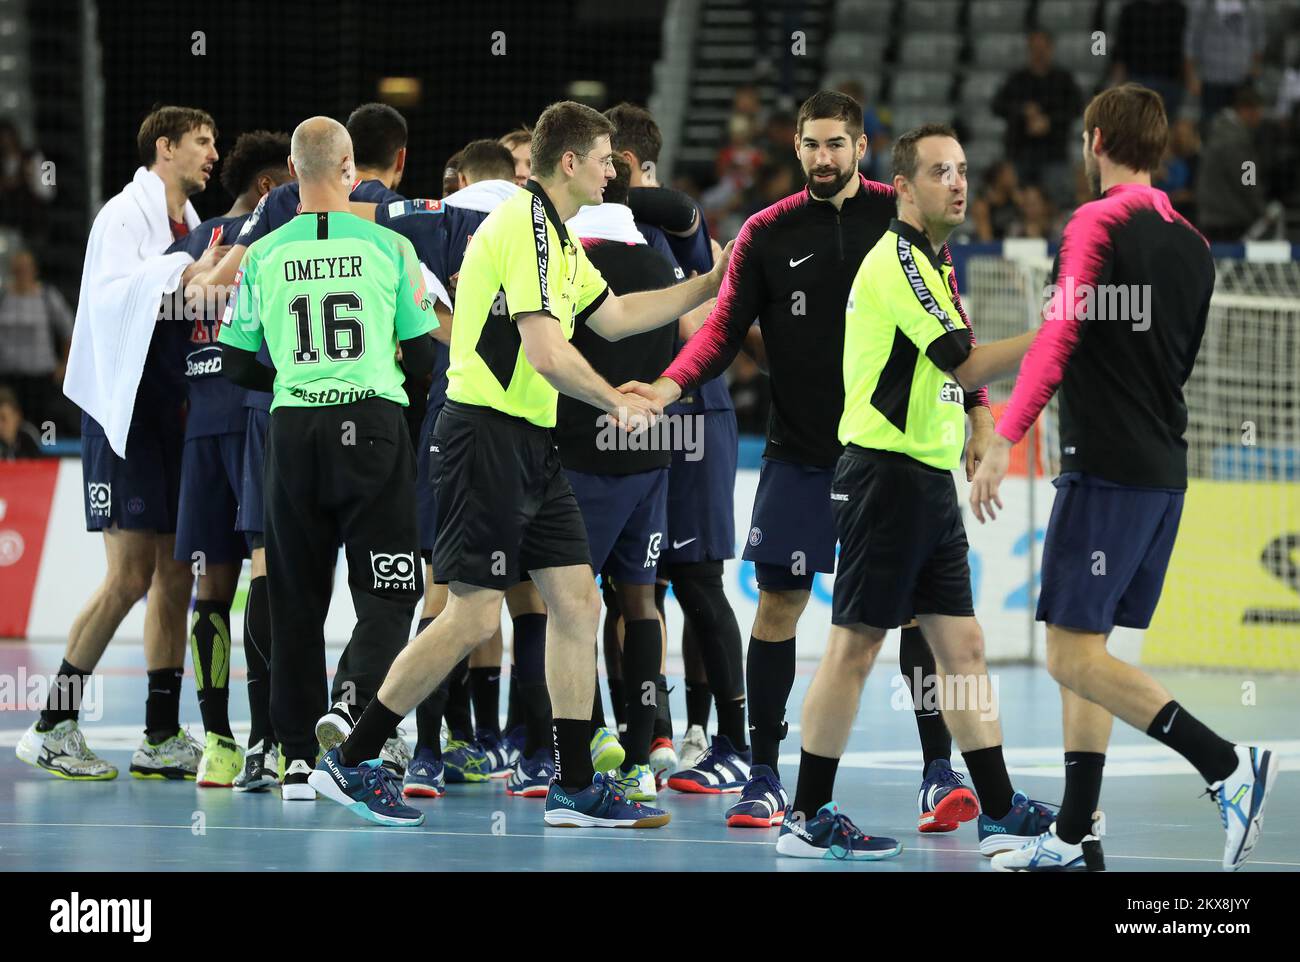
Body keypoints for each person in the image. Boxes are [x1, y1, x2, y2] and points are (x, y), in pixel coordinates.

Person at [311, 100, 730, 829]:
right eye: (604, 158)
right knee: (470, 614)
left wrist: (710, 284)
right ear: (569, 162)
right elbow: (545, 350)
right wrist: (616, 403)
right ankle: (353, 759)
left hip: (533, 445)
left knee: (577, 603)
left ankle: (571, 784)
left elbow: (618, 317)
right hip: (486, 440)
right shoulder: (525, 226)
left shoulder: (561, 240)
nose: (614, 170)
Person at [630, 92, 983, 834]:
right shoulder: (767, 231)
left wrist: (982, 412)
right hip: (803, 452)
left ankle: (937, 772)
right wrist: (666, 387)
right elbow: (724, 329)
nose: (824, 158)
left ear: (861, 145)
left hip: (892, 457)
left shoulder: (907, 213)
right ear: (795, 147)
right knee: (780, 605)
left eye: (838, 144)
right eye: (812, 145)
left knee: (919, 614)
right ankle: (764, 774)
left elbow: (953, 324)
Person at [972, 83, 1279, 873]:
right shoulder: (1194, 244)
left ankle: (1225, 764)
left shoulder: (1095, 221)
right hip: (1162, 472)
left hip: (1104, 469)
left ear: (1095, 139)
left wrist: (1006, 436)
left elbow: (1058, 337)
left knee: (1070, 660)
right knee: (1091, 651)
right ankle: (1075, 835)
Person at [776, 123, 1056, 861]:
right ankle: (806, 816)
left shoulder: (934, 265)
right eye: (940, 172)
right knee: (855, 650)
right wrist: (1056, 330)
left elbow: (959, 379)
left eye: (964, 170)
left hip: (926, 481)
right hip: (883, 479)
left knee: (960, 646)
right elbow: (964, 363)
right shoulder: (896, 262)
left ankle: (997, 806)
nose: (959, 183)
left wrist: (976, 422)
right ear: (901, 188)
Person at [218, 116, 437, 813]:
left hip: (292, 434)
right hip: (370, 427)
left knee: (293, 600)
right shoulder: (388, 246)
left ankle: (293, 761)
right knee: (391, 590)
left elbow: (233, 363)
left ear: (290, 168)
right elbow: (428, 356)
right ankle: (350, 706)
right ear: (349, 168)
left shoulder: (263, 253)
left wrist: (293, 380)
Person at [17, 106, 228, 781]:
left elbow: (187, 299)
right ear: (164, 149)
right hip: (124, 420)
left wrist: (203, 273)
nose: (213, 154)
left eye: (216, 144)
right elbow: (111, 297)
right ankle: (51, 724)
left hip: (173, 422)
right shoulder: (123, 216)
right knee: (130, 577)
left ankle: (161, 735)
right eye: (202, 143)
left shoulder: (189, 228)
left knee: (173, 578)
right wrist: (195, 273)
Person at [611, 101, 747, 782]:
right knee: (634, 586)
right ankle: (655, 734)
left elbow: (703, 329)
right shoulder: (614, 226)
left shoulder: (672, 224)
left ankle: (726, 736)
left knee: (695, 579)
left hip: (691, 417)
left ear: (626, 164)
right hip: (632, 419)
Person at [166, 130, 292, 788]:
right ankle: (268, 741)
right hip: (258, 415)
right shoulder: (275, 236)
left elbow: (167, 313)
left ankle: (217, 742)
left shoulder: (195, 239)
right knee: (269, 579)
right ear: (272, 188)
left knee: (210, 588)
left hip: (200, 428)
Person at [559, 154, 683, 802]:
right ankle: (641, 751)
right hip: (650, 456)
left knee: (570, 607)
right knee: (640, 603)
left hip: (582, 459)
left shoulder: (573, 267)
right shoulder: (659, 267)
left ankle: (583, 740)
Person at [991, 31, 1082, 210]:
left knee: (1058, 203)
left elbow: (1077, 108)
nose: (1039, 53)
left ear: (1051, 49)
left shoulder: (1063, 79)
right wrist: (1023, 111)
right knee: (1016, 203)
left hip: (1054, 154)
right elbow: (997, 106)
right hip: (1020, 152)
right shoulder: (1017, 79)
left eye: (1042, 48)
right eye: (1034, 48)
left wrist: (1050, 122)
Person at [0, 249, 74, 435]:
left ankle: (44, 455)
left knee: (44, 425)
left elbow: (69, 330)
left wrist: (64, 365)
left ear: (34, 271)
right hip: (9, 379)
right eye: (18, 270)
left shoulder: (47, 297)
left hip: (41, 379)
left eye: (26, 269)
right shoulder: (3, 298)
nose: (22, 274)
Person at [1196, 85, 1266, 241]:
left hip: (1212, 215)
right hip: (1229, 220)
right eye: (1259, 112)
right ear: (1247, 110)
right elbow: (1248, 180)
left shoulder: (1218, 129)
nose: (1260, 118)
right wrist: (1261, 210)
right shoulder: (1237, 140)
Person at [1184, 0, 1264, 134]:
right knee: (1210, 126)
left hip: (1242, 79)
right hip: (1212, 78)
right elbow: (1191, 39)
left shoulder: (1252, 6)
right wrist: (1191, 75)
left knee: (1242, 128)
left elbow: (1258, 39)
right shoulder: (1202, 5)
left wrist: (1255, 66)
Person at [0, 385, 42, 458]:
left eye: (4, 418)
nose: (0, 425)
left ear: (17, 416)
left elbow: (38, 465)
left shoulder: (29, 437)